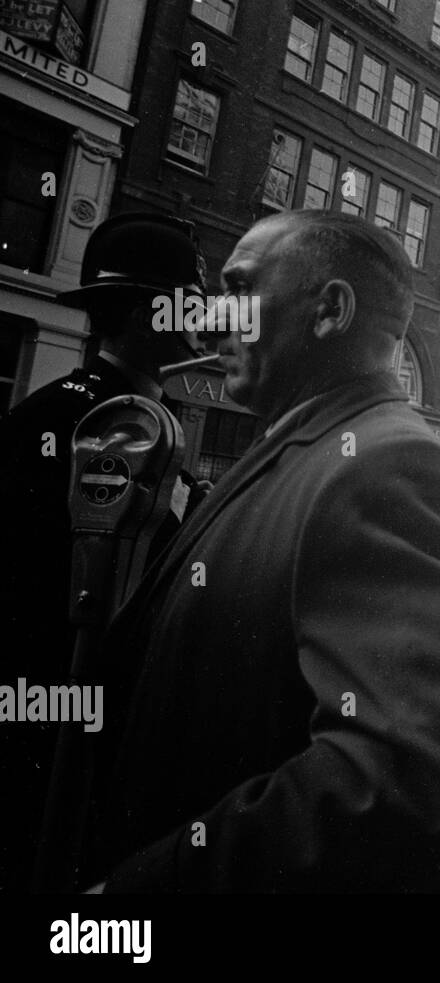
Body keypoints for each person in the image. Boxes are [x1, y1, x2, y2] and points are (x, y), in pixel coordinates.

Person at [77, 210, 440, 891]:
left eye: (239, 290)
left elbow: (414, 774)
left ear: (330, 309)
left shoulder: (386, 466)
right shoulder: (305, 449)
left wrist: (143, 888)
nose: (212, 320)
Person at [0, 212, 207, 894]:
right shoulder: (96, 423)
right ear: (150, 314)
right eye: (188, 303)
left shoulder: (133, 418)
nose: (200, 320)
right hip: (57, 745)